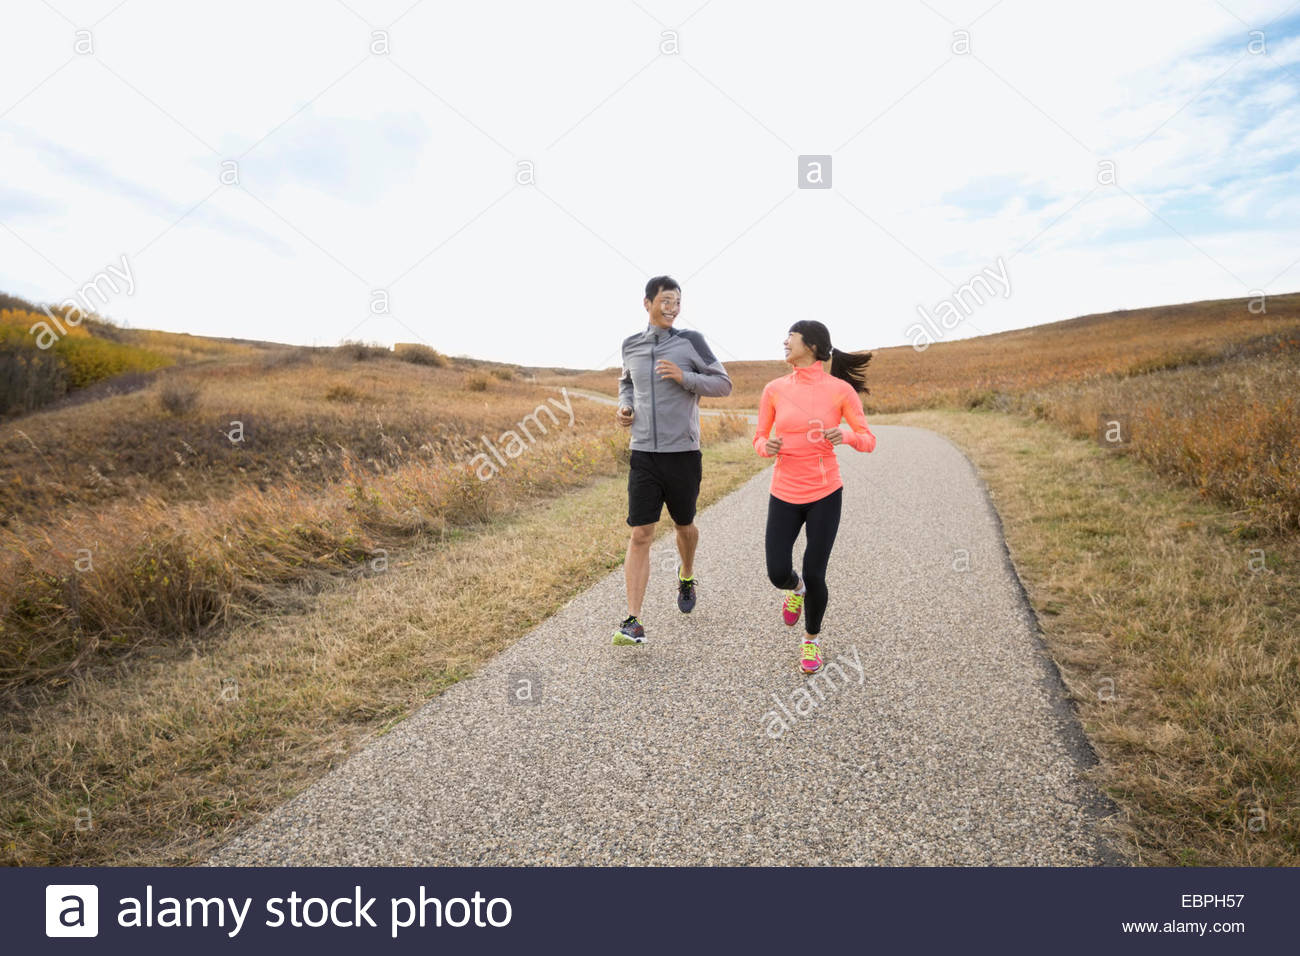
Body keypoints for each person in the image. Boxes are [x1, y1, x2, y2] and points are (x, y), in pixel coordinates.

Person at [612, 275, 733, 645]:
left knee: (684, 526)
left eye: (677, 302)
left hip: (682, 453)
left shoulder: (690, 341)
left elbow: (723, 384)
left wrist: (685, 377)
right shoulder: (630, 344)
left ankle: (686, 573)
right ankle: (633, 621)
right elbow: (626, 382)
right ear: (647, 303)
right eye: (666, 301)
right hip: (643, 452)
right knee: (640, 534)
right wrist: (625, 405)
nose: (673, 308)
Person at [753, 320, 875, 674]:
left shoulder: (840, 390)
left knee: (815, 569)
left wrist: (845, 436)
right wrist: (766, 446)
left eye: (791, 336)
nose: (785, 342)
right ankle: (796, 587)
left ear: (812, 345)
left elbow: (868, 439)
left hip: (825, 492)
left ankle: (811, 641)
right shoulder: (773, 389)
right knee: (777, 572)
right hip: (784, 492)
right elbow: (759, 438)